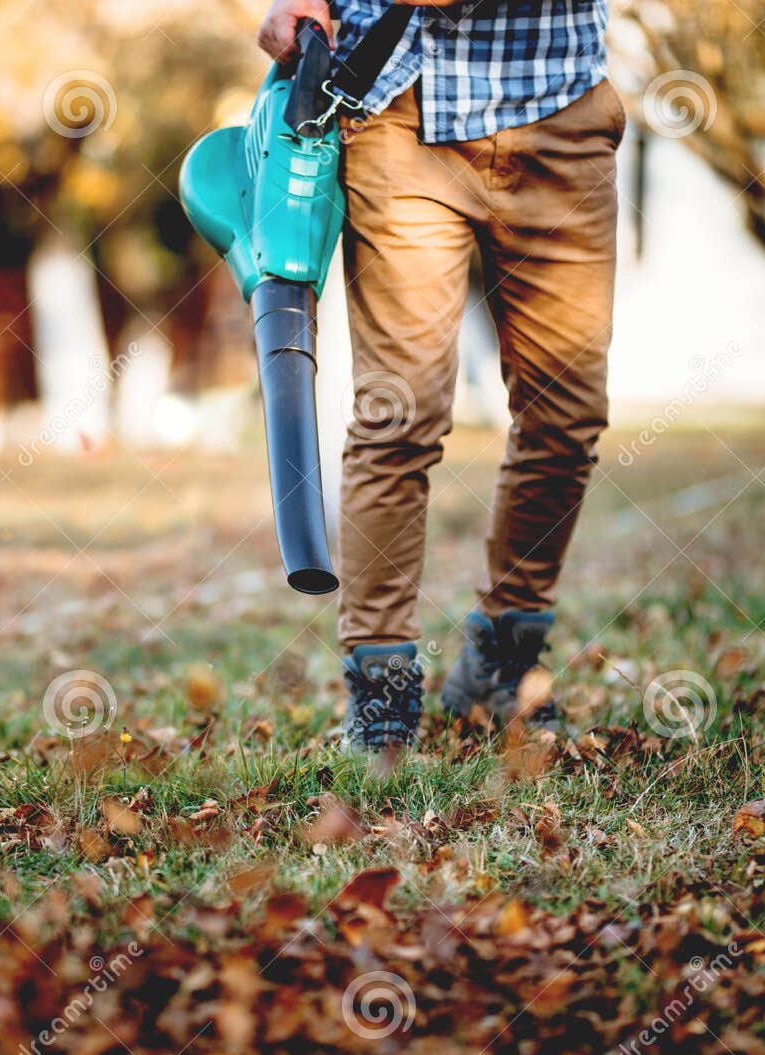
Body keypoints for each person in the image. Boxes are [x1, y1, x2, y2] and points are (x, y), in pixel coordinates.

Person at [256, 0, 624, 751]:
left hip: (558, 106)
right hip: (398, 108)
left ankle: (501, 659)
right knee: (400, 413)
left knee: (567, 415)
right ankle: (382, 687)